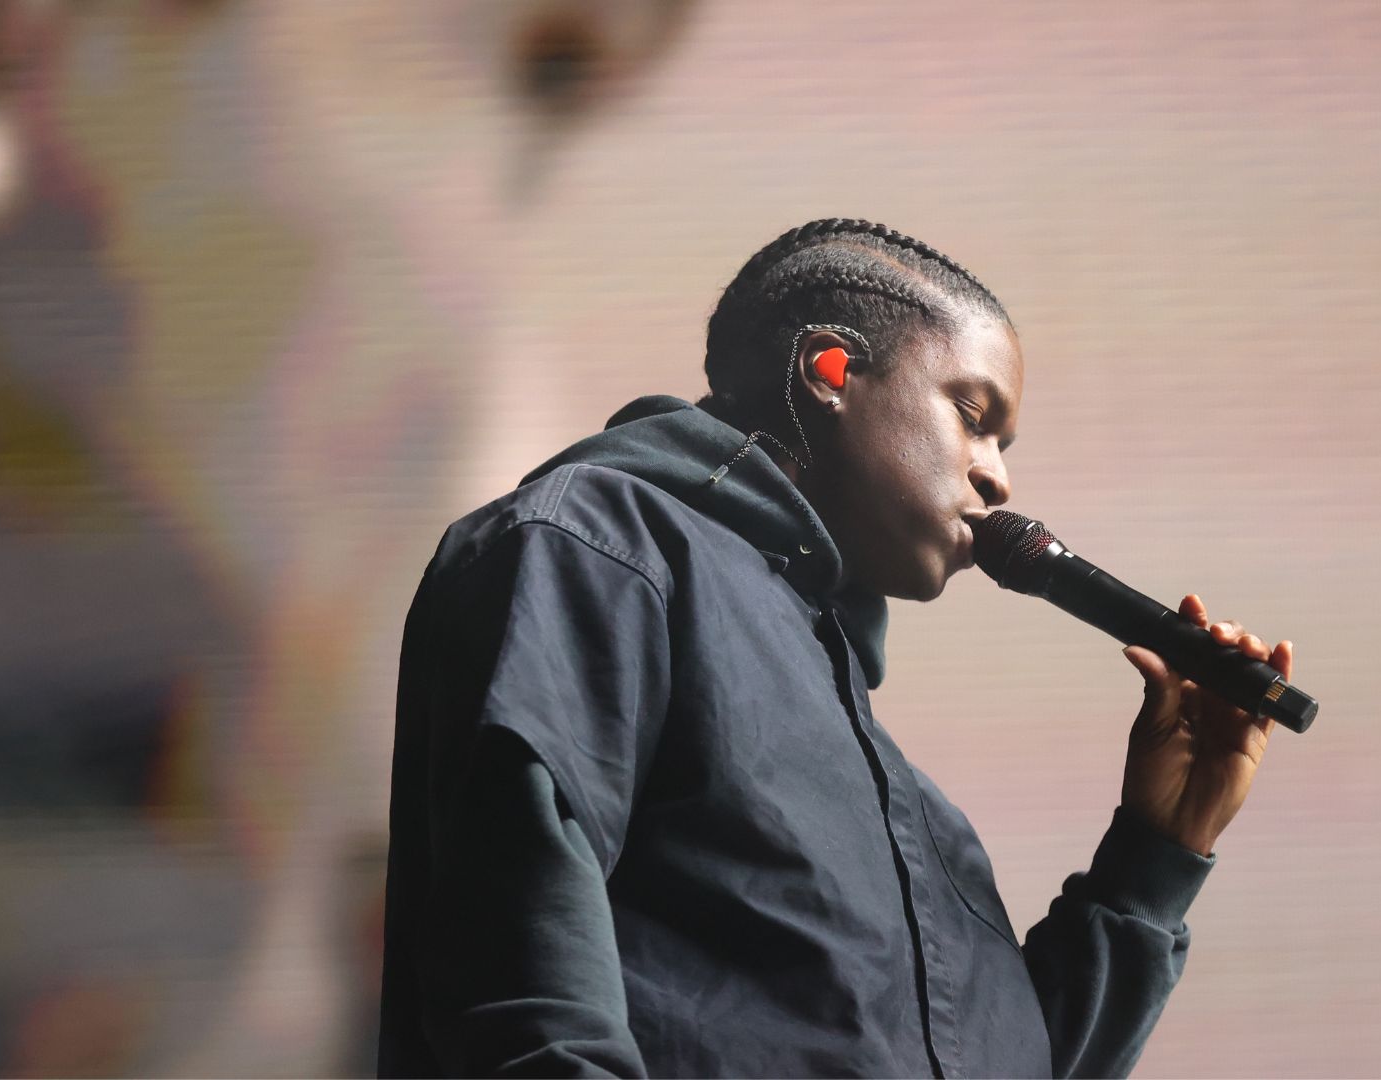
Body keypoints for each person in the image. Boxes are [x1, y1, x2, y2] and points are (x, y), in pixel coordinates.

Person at [377, 217, 1294, 1078]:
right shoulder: (602, 542)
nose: (998, 474)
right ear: (829, 368)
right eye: (974, 414)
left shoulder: (913, 814)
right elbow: (518, 989)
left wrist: (1158, 852)